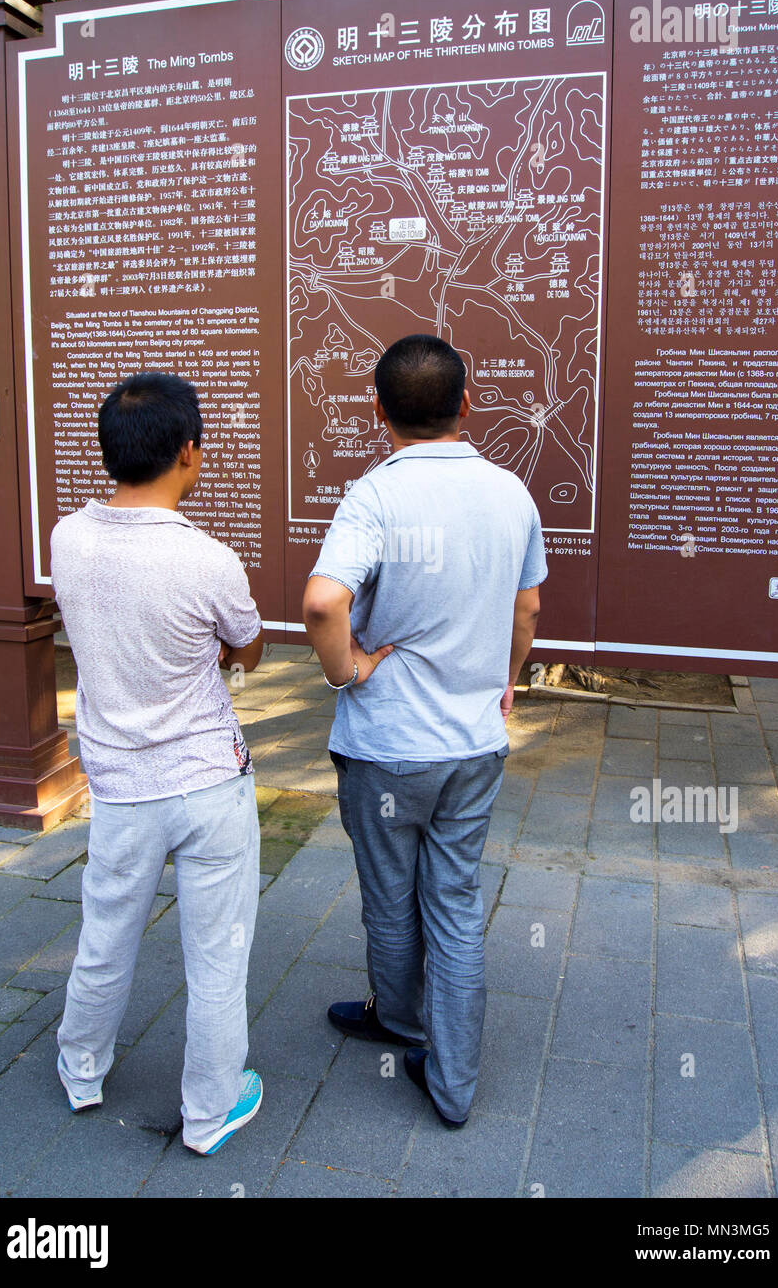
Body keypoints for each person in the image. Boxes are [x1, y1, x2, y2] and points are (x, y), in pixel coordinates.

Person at [302, 334, 547, 1128]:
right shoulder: (510, 491)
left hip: (386, 747)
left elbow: (321, 603)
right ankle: (454, 1081)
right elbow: (527, 609)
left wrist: (346, 672)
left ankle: (401, 1022)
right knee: (454, 899)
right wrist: (503, 679)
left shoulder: (375, 495)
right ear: (465, 404)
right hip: (473, 744)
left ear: (379, 411)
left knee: (390, 898)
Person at [50, 371, 265, 1156]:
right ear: (188, 452)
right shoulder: (209, 559)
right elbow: (246, 647)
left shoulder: (65, 537)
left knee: (105, 933)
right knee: (218, 955)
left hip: (119, 785)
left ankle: (81, 1071)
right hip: (208, 780)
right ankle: (210, 1113)